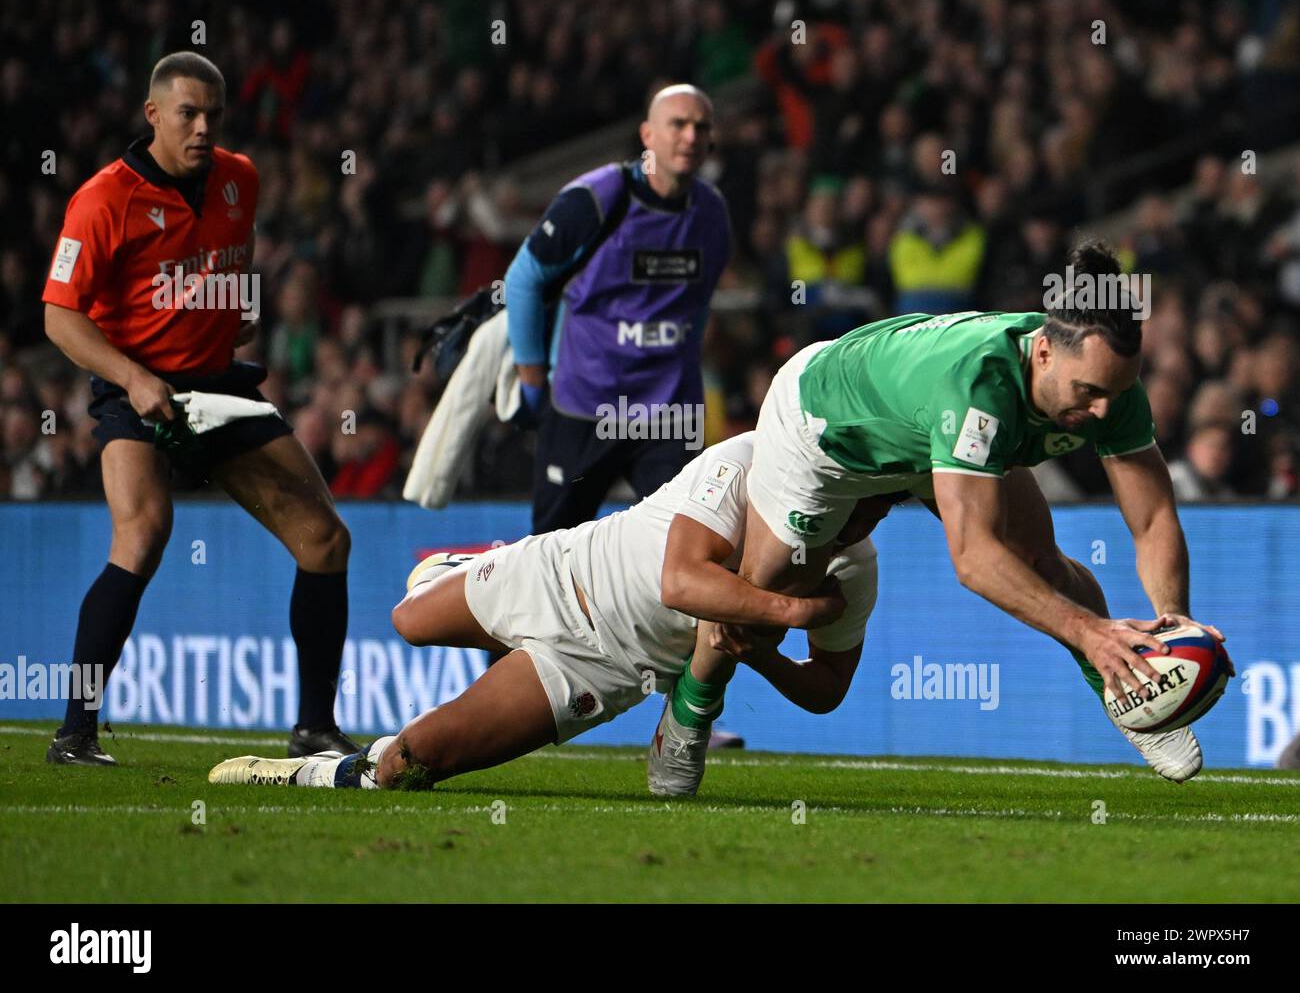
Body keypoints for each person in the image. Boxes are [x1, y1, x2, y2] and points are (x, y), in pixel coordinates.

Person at [651, 241, 1229, 795]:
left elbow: (1152, 518)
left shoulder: (1108, 384)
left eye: (1114, 393)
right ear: (1045, 352)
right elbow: (974, 559)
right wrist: (1093, 633)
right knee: (757, 607)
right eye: (1089, 392)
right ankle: (689, 710)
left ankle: (1126, 694)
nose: (1103, 409)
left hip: (926, 433)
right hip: (822, 429)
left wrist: (1173, 626)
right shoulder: (979, 385)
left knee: (1042, 560)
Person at [207, 432, 878, 794]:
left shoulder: (855, 569)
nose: (866, 510)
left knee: (407, 766)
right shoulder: (747, 462)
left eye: (881, 500)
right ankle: (463, 569)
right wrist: (782, 610)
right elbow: (682, 582)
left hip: (603, 667)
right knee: (406, 621)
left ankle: (319, 772)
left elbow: (825, 691)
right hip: (565, 569)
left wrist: (758, 645)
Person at [42, 52, 356, 765]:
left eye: (214, 113)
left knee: (326, 541)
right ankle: (75, 731)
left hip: (220, 390)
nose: (204, 126)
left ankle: (314, 727)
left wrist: (227, 313)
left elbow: (223, 270)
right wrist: (133, 377)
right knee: (144, 534)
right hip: (136, 394)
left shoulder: (241, 179)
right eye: (188, 113)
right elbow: (60, 319)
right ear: (153, 115)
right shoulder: (101, 199)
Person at [506, 83, 732, 534]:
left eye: (700, 127)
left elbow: (700, 303)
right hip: (583, 408)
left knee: (687, 548)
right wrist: (532, 379)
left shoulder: (713, 212)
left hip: (668, 416)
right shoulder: (595, 198)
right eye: (678, 124)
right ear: (647, 135)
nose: (690, 136)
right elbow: (523, 280)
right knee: (552, 552)